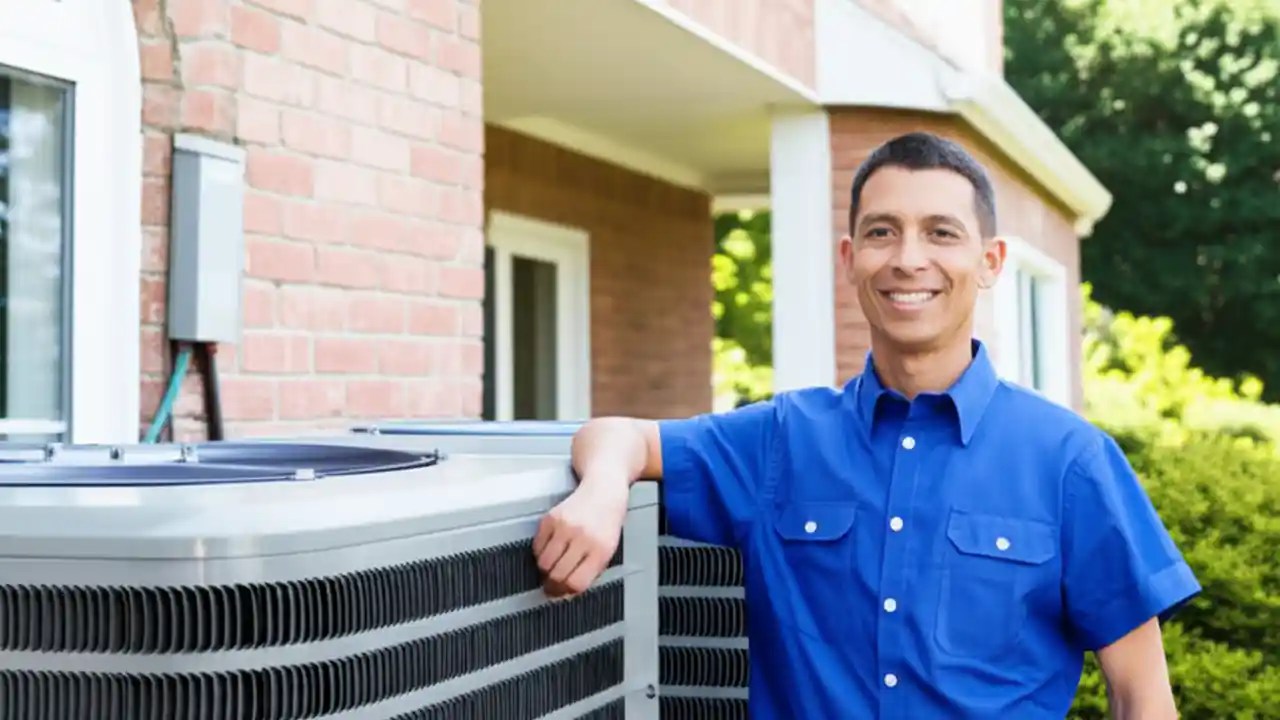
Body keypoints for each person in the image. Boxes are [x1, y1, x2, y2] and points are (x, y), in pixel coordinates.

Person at [531, 131, 1200, 718]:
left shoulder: (1069, 460)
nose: (908, 258)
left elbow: (1142, 697)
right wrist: (603, 490)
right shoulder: (781, 440)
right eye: (883, 232)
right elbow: (618, 435)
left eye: (941, 233)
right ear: (850, 258)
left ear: (990, 262)